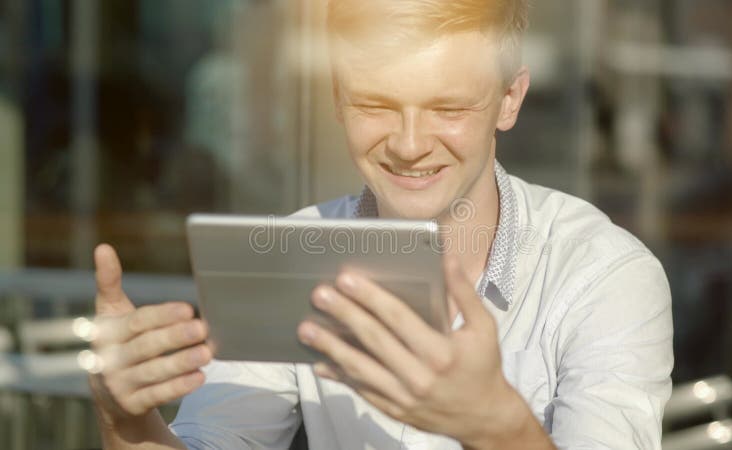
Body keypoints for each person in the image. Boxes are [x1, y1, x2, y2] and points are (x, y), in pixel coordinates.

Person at [89, 1, 674, 449]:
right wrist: (127, 419)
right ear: (338, 99)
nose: (410, 144)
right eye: (376, 104)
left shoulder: (604, 276)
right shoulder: (289, 257)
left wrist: (497, 425)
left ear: (509, 99)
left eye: (448, 108)